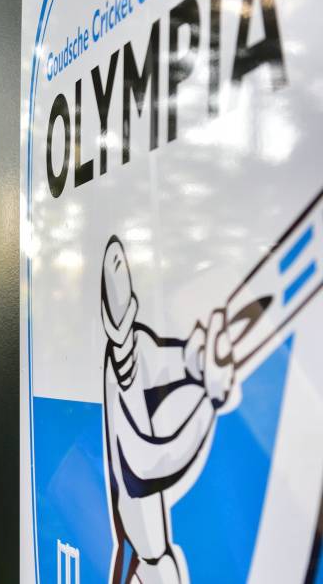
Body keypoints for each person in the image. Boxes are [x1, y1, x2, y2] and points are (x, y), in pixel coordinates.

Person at [99, 236, 235, 584]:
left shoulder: (137, 345)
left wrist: (198, 356)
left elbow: (179, 357)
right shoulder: (117, 376)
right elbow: (148, 463)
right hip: (145, 562)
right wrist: (208, 405)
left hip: (153, 561)